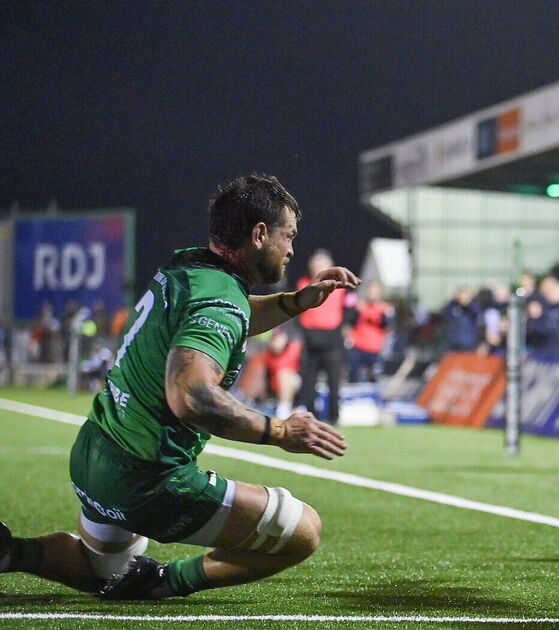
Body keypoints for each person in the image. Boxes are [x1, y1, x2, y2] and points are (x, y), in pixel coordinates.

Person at [0, 174, 358, 599]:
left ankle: (10, 554)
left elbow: (235, 315)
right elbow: (191, 395)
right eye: (289, 235)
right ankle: (164, 581)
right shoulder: (220, 300)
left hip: (95, 451)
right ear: (260, 234)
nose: (292, 249)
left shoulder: (188, 264)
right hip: (146, 477)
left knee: (104, 571)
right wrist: (280, 432)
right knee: (301, 530)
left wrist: (297, 301)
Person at [295, 249, 351, 424]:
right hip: (311, 337)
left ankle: (334, 417)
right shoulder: (303, 283)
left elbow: (350, 310)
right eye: (315, 265)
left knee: (334, 381)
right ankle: (312, 416)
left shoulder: (339, 287)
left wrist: (346, 329)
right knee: (309, 380)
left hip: (332, 338)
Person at [347, 281, 394, 382]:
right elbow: (351, 324)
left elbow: (388, 327)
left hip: (375, 349)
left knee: (374, 378)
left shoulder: (385, 309)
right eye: (371, 292)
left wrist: (383, 314)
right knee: (353, 376)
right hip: (358, 347)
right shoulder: (360, 307)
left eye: (375, 292)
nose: (373, 295)